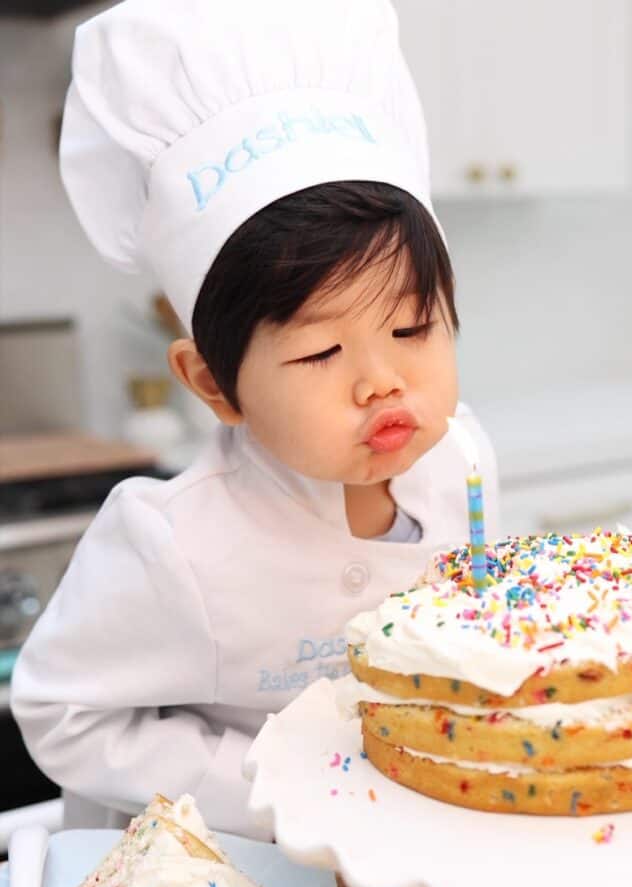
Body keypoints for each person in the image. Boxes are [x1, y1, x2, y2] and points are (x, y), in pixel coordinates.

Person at [11, 0, 499, 838]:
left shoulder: (464, 462)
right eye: (319, 355)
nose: (380, 382)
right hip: (243, 874)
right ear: (214, 384)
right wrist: (270, 789)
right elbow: (62, 711)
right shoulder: (176, 538)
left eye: (411, 328)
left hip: (419, 846)